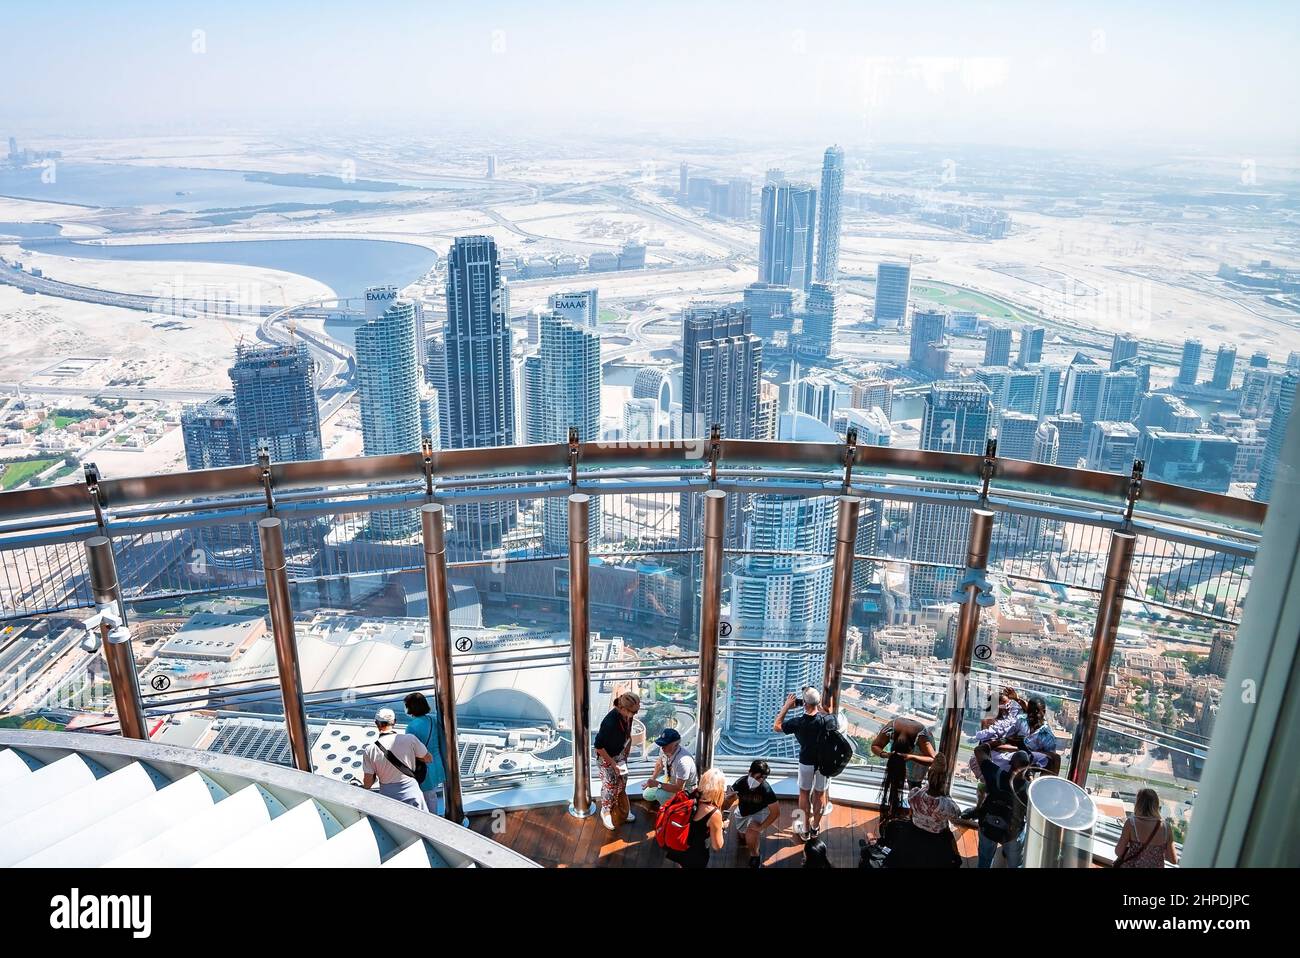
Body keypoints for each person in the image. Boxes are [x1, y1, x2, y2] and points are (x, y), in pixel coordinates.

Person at [774, 687, 836, 840]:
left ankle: (806, 830)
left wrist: (787, 706)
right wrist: (820, 708)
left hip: (806, 760)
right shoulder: (827, 719)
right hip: (823, 762)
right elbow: (831, 719)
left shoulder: (799, 722)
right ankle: (815, 827)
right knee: (820, 794)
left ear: (804, 704)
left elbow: (776, 726)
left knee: (804, 793)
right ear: (818, 702)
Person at [890, 753, 963, 868]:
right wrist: (945, 795)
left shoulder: (914, 794)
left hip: (913, 834)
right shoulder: (947, 805)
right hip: (936, 840)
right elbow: (956, 814)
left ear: (928, 776)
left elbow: (913, 809)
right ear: (945, 780)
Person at [973, 741, 1031, 868]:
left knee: (984, 861)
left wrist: (1002, 741)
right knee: (1016, 865)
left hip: (988, 826)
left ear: (1010, 764)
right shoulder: (1029, 789)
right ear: (1027, 768)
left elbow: (979, 750)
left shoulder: (995, 774)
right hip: (1012, 834)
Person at [361, 707, 433, 809]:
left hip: (388, 798)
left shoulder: (370, 750)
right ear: (394, 722)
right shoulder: (410, 739)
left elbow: (368, 784)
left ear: (376, 723)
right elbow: (428, 758)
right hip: (411, 793)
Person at [870, 716, 936, 827]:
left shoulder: (921, 737)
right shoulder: (891, 728)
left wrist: (912, 757)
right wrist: (885, 754)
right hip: (905, 753)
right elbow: (875, 745)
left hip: (920, 755)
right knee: (895, 778)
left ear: (911, 747)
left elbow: (932, 759)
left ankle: (914, 813)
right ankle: (894, 809)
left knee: (914, 784)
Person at [594, 691, 640, 830]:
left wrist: (627, 749)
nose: (635, 714)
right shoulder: (610, 722)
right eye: (634, 711)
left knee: (623, 779)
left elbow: (628, 733)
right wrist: (612, 763)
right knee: (609, 785)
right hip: (606, 757)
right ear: (624, 709)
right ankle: (606, 810)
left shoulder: (627, 716)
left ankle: (621, 806)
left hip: (619, 753)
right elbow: (598, 746)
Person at [666, 768, 727, 869]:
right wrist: (721, 826)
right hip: (695, 855)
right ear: (719, 789)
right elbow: (717, 846)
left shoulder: (691, 795)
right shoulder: (714, 813)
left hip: (680, 846)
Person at [724, 759, 780, 868]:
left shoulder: (766, 789)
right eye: (759, 777)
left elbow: (776, 812)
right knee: (743, 837)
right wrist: (729, 797)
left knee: (752, 831)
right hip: (743, 812)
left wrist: (761, 827)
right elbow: (729, 801)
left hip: (759, 812)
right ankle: (749, 837)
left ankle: (755, 855)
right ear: (750, 773)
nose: (761, 780)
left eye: (764, 778)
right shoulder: (741, 782)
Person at [983, 696, 1060, 776]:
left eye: (1036, 712)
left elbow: (1049, 760)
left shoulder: (1048, 736)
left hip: (1028, 763)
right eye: (1029, 711)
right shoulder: (1021, 720)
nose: (1031, 714)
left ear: (1043, 712)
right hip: (1010, 756)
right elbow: (1007, 739)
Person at [402, 692, 445, 815]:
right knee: (432, 795)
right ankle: (434, 816)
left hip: (424, 766)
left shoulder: (411, 727)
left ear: (411, 708)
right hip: (437, 763)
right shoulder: (433, 719)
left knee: (426, 796)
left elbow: (411, 750)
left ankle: (430, 821)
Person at [1114, 788, 1178, 867]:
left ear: (1138, 804)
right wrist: (1156, 852)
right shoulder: (1166, 827)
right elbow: (1174, 860)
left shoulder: (1131, 824)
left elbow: (1118, 852)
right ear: (1156, 805)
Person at [641, 727, 697, 806]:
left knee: (660, 794)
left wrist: (657, 784)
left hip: (684, 789)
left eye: (665, 744)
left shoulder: (683, 761)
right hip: (670, 779)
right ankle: (669, 801)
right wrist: (652, 779)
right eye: (661, 744)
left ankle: (671, 810)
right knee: (647, 795)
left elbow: (679, 788)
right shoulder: (664, 750)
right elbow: (659, 764)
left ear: (676, 745)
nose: (662, 747)